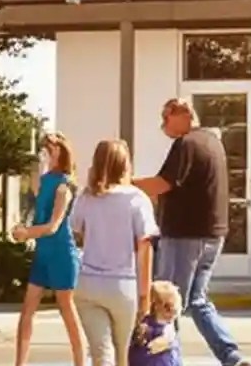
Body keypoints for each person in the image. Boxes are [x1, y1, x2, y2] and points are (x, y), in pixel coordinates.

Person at [134, 97, 250, 366]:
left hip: (185, 235)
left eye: (166, 119)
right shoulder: (212, 142)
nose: (164, 126)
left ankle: (164, 359)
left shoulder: (186, 143)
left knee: (165, 302)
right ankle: (232, 356)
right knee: (197, 301)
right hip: (213, 235)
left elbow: (162, 184)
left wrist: (122, 185)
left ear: (182, 113)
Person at [70, 139, 159, 366]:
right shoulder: (136, 199)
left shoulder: (87, 196)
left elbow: (74, 232)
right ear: (125, 164)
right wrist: (145, 296)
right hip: (122, 285)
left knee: (101, 354)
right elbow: (144, 246)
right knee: (123, 355)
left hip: (88, 282)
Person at [11, 132, 85, 366]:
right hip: (43, 254)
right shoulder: (44, 181)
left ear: (60, 153)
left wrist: (26, 233)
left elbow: (53, 226)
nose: (45, 153)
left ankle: (80, 362)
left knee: (67, 312)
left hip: (62, 254)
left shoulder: (65, 186)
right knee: (27, 312)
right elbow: (35, 202)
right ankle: (19, 363)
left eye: (49, 149)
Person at [129, 280, 185, 366]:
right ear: (156, 306)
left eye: (176, 308)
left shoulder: (169, 329)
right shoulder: (146, 329)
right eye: (168, 307)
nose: (173, 312)